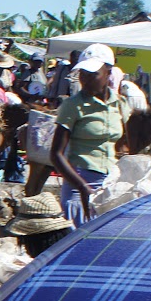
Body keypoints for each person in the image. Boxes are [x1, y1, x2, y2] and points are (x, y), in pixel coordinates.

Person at [49, 45, 131, 224]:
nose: (85, 80)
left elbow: (123, 144)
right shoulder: (73, 105)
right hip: (80, 182)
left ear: (108, 72)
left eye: (92, 74)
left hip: (109, 182)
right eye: (82, 74)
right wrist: (81, 186)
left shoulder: (120, 104)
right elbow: (56, 154)